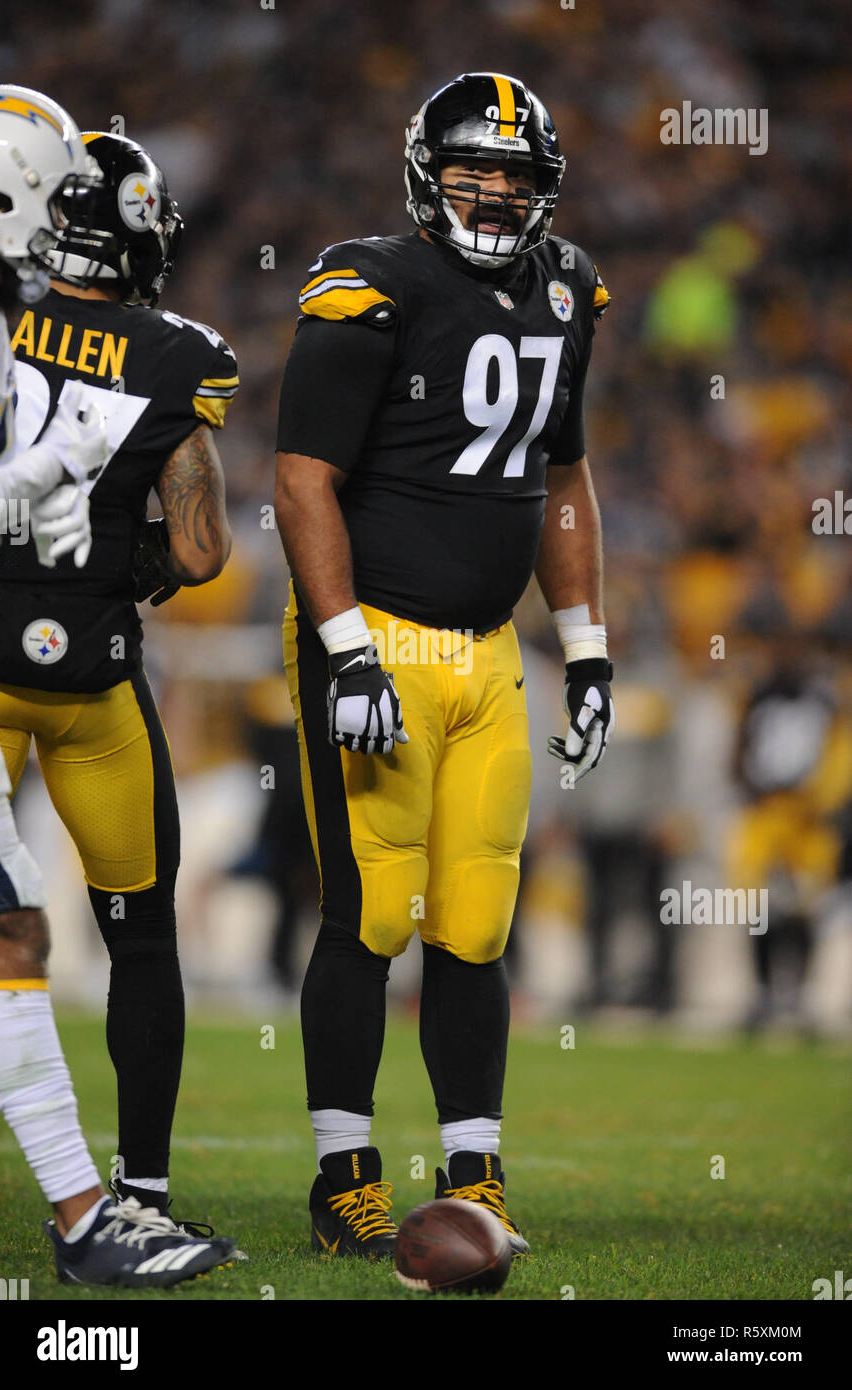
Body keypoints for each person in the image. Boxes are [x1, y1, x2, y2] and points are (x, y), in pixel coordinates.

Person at [274, 72, 613, 1256]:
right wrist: (345, 651)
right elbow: (302, 477)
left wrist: (586, 645)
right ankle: (343, 1180)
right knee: (370, 914)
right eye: (473, 165)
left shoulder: (569, 288)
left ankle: (472, 1169)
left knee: (474, 922)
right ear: (427, 170)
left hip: (489, 654)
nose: (493, 187)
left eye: (514, 172)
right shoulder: (369, 281)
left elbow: (560, 479)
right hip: (378, 639)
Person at [0, 84, 235, 1285]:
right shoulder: (180, 356)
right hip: (91, 680)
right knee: (139, 945)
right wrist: (126, 552)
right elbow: (199, 552)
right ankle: (135, 1192)